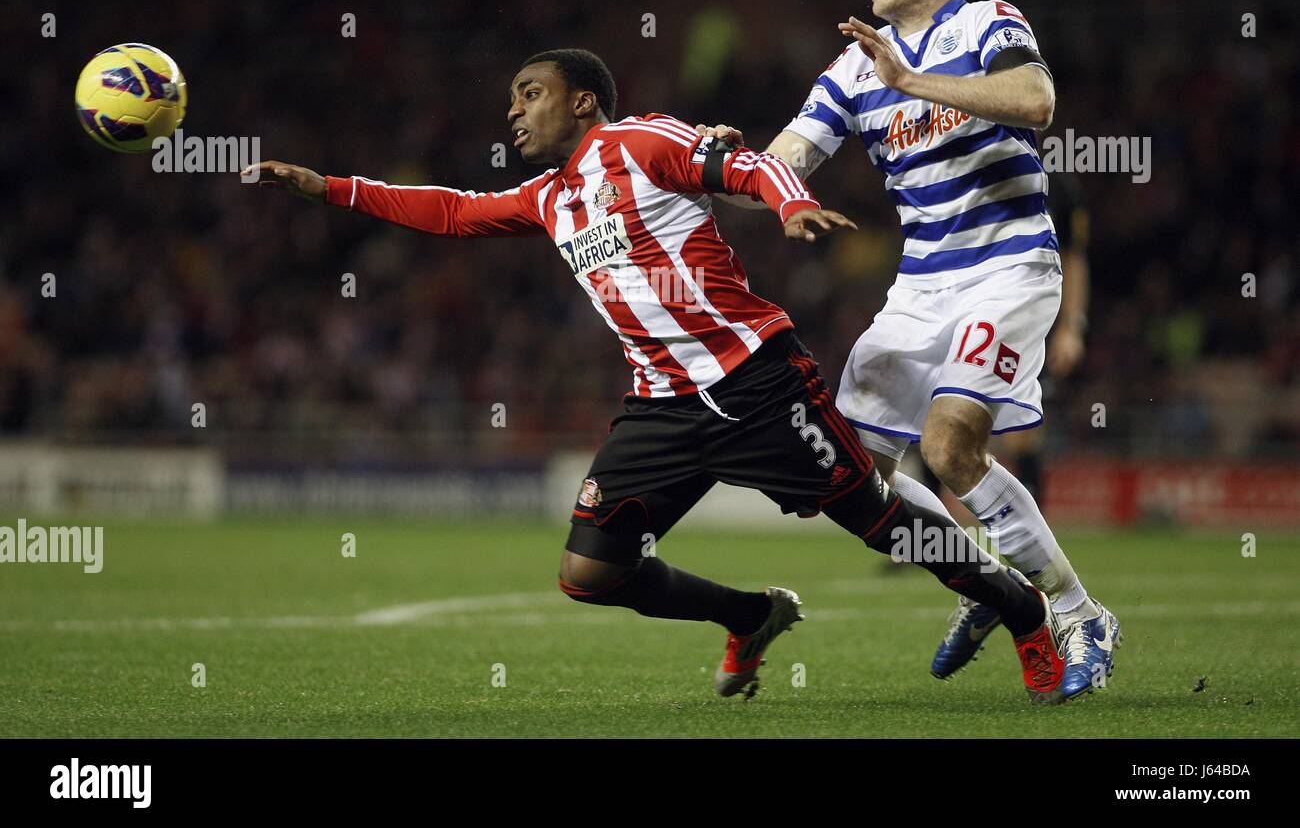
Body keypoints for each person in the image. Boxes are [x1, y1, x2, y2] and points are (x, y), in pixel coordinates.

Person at [244, 47, 1065, 701]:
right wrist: (330, 188)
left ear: (582, 102)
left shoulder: (642, 143)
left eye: (529, 93)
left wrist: (788, 205)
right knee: (590, 575)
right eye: (511, 98)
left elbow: (743, 167)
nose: (513, 110)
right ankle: (750, 615)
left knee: (883, 522)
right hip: (661, 408)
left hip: (758, 384)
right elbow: (455, 211)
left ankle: (1023, 609)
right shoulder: (550, 198)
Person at [705, 0, 1118, 701]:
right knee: (854, 472)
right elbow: (784, 163)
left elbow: (1036, 102)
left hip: (1009, 267)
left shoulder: (988, 23)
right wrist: (716, 165)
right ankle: (997, 584)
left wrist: (909, 80)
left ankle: (1079, 612)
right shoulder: (851, 68)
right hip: (922, 288)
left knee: (953, 444)